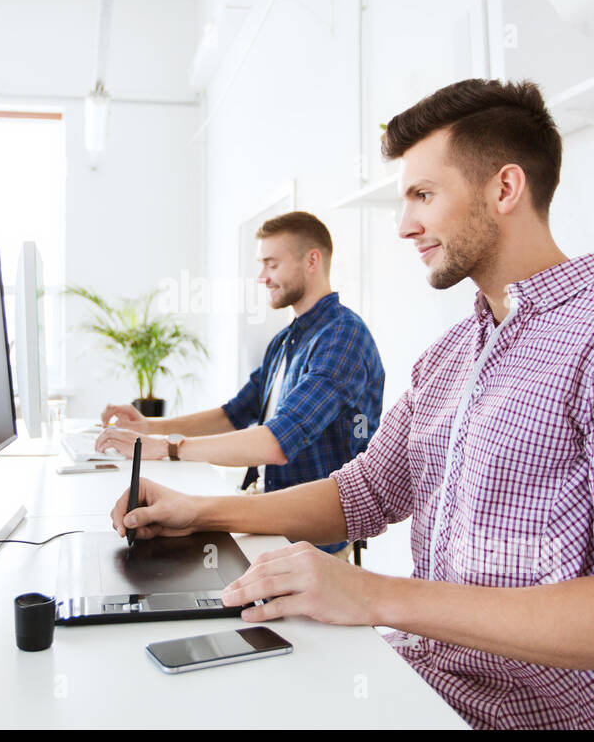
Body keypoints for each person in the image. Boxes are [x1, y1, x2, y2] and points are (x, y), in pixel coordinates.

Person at [107, 79, 594, 729]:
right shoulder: (451, 356)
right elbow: (361, 493)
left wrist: (374, 594)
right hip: (412, 685)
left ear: (504, 188)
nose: (405, 224)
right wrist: (200, 511)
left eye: (423, 195)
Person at [96, 211, 384, 558]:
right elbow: (233, 414)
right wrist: (148, 427)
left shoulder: (343, 336)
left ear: (312, 260)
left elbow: (279, 441)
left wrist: (169, 446)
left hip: (316, 544)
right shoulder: (285, 340)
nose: (262, 277)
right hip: (270, 520)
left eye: (272, 264)